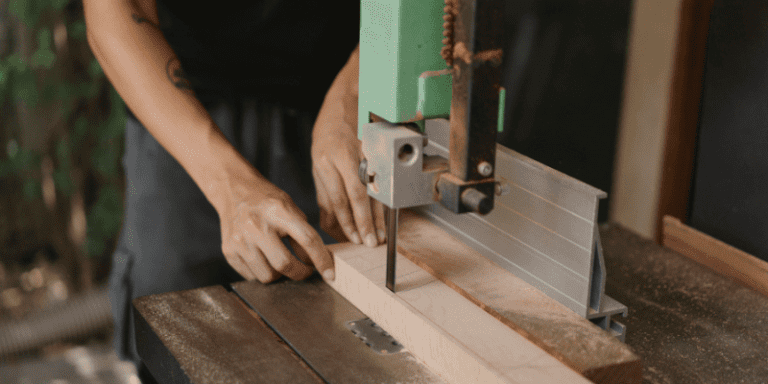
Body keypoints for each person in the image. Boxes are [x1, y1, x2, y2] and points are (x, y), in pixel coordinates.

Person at [83, 0, 386, 374]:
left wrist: (361, 82)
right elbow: (113, 10)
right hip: (180, 109)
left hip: (343, 105)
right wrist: (227, 185)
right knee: (174, 343)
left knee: (357, 349)